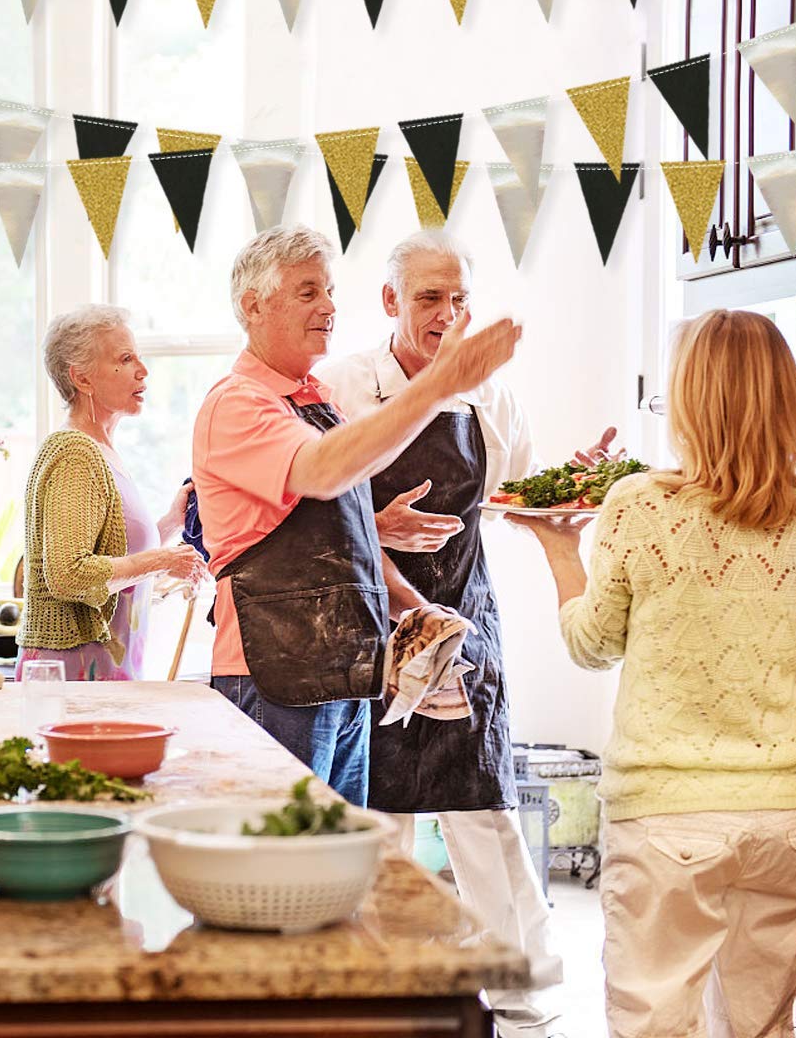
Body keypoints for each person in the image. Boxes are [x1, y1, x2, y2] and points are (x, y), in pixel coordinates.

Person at [512, 309, 796, 1038]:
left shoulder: (639, 506)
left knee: (655, 1027)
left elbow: (593, 645)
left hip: (669, 817)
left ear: (691, 398)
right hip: (786, 815)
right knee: (764, 1028)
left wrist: (560, 551)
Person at [322, 230, 610, 1038]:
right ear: (389, 303)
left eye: (458, 300)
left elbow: (510, 501)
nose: (448, 316)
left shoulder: (494, 398)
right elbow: (309, 501)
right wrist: (372, 524)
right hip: (368, 615)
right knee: (377, 805)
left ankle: (520, 977)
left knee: (479, 795)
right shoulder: (344, 385)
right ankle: (378, 975)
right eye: (428, 299)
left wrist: (570, 487)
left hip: (465, 608)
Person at [192, 223, 522, 806]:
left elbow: (348, 536)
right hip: (274, 676)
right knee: (280, 870)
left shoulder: (313, 398)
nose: (329, 307)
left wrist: (422, 616)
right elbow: (322, 471)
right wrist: (442, 381)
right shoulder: (237, 403)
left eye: (330, 291)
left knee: (340, 868)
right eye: (308, 291)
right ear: (253, 306)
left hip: (345, 673)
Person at [16, 306, 208, 682]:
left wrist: (170, 523)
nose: (143, 369)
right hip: (74, 670)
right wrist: (162, 561)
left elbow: (112, 555)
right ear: (82, 378)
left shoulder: (100, 451)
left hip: (104, 668)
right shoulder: (74, 453)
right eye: (125, 358)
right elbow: (69, 575)